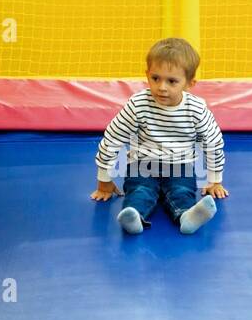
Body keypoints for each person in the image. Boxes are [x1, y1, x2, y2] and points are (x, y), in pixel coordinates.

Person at [90, 37, 228, 234]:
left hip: (180, 165)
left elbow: (212, 142)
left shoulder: (196, 109)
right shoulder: (138, 104)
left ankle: (187, 216)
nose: (162, 87)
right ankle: (134, 217)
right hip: (142, 164)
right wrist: (104, 180)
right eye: (155, 78)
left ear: (190, 83)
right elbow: (113, 138)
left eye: (172, 81)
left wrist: (215, 180)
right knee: (140, 191)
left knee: (181, 191)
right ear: (147, 75)